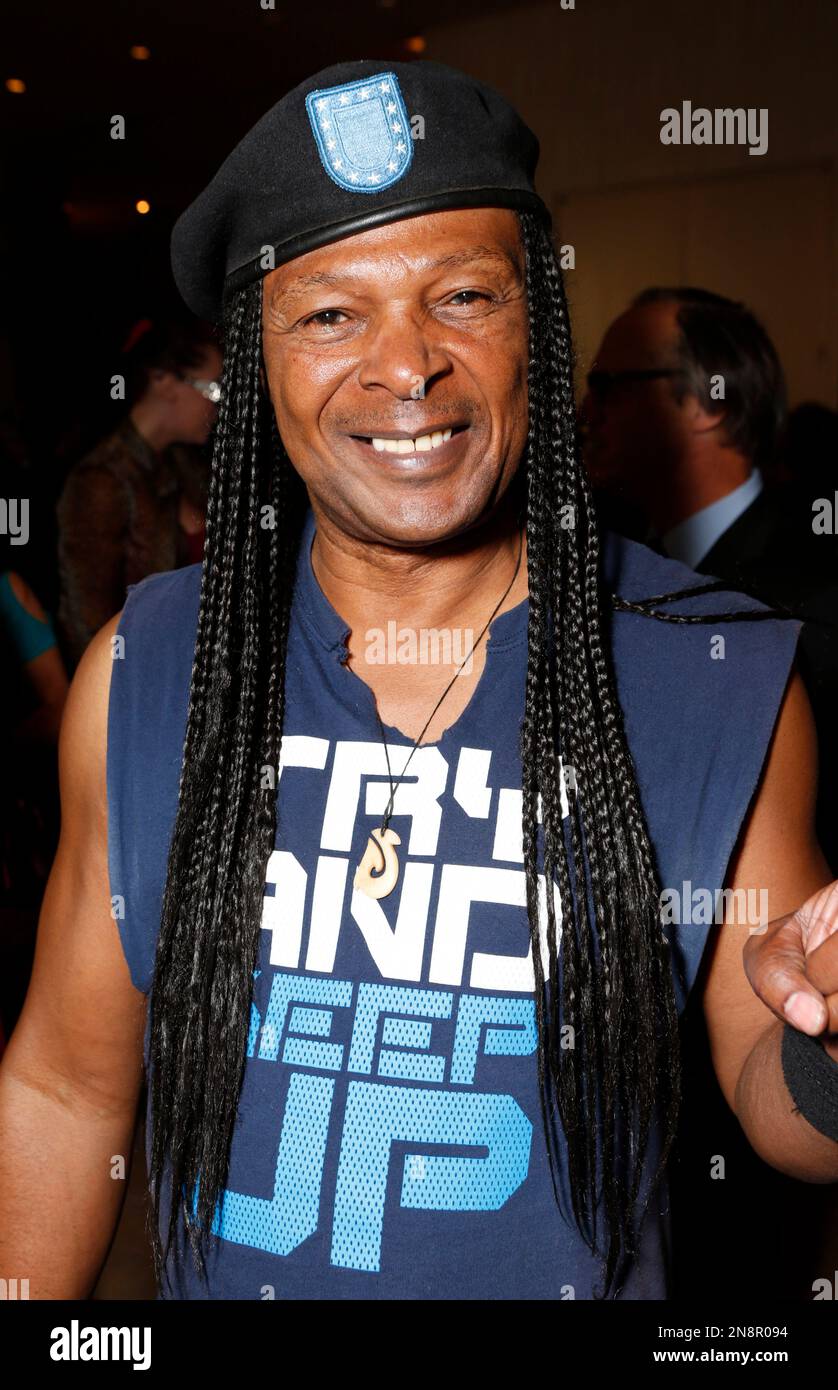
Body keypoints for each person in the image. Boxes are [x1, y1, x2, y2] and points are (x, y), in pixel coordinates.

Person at [1, 59, 837, 1303]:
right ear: (260, 363)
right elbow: (65, 1087)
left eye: (462, 296)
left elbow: (776, 1091)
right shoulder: (149, 669)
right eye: (331, 313)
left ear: (536, 329)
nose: (407, 367)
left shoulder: (709, 674)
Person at [55, 317, 221, 668]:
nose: (218, 406)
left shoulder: (185, 466)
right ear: (163, 381)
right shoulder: (100, 481)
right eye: (213, 390)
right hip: (151, 681)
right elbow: (88, 624)